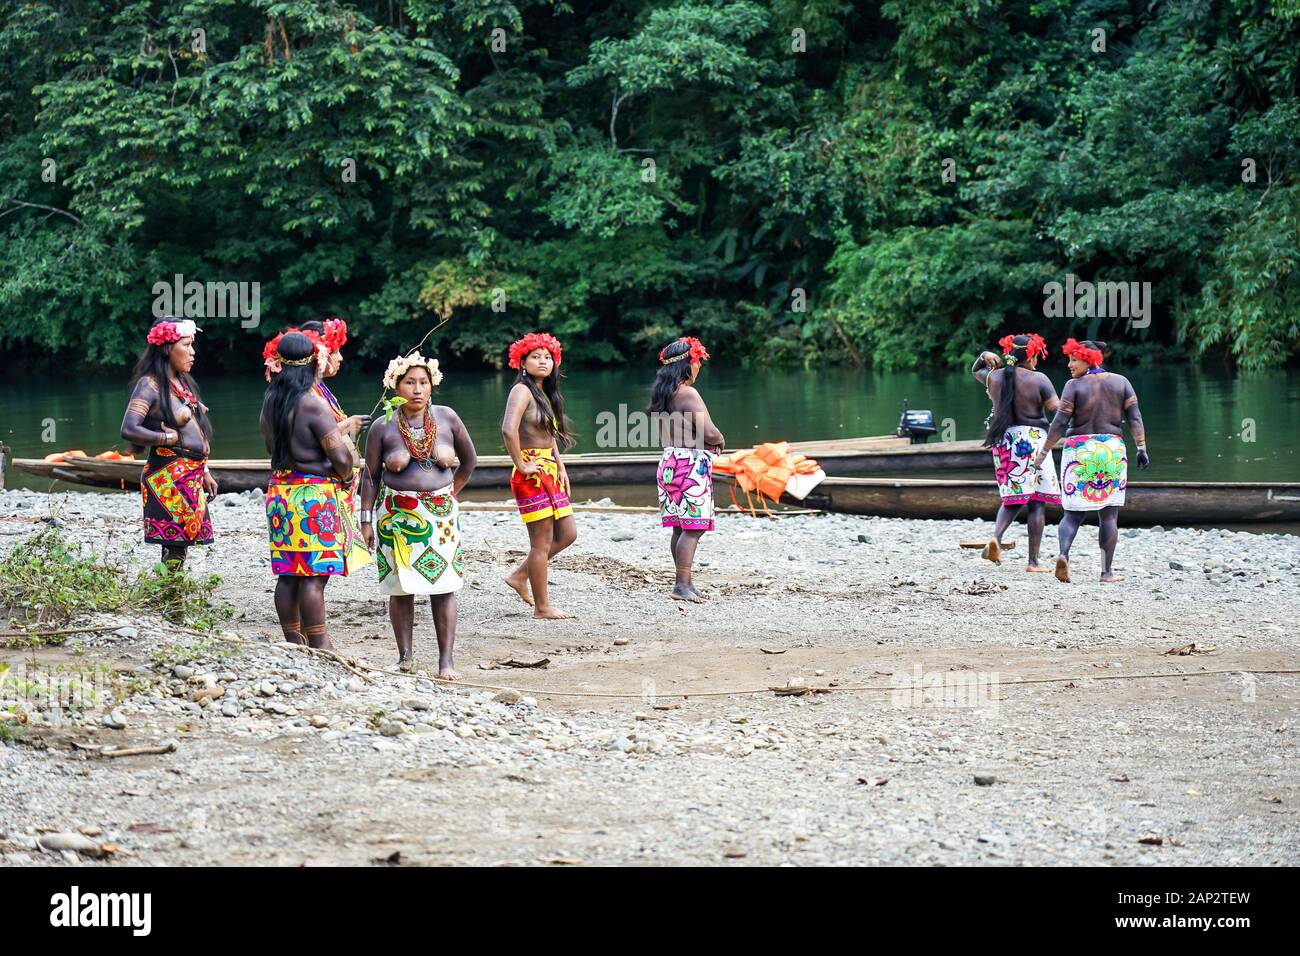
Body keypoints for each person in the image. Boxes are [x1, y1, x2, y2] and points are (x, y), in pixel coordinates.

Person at [361, 352, 476, 677]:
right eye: (409, 382)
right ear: (395, 385)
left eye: (423, 382)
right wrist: (366, 519)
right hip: (395, 515)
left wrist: (451, 494)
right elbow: (370, 476)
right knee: (400, 588)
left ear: (432, 385)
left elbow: (469, 461)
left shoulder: (447, 417)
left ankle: (446, 663)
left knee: (444, 586)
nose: (417, 389)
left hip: (440, 517)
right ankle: (405, 658)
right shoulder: (383, 426)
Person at [260, 331, 364, 650]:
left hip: (280, 494)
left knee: (288, 571)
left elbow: (272, 450)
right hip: (312, 498)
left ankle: (294, 640)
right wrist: (346, 474)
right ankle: (320, 643)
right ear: (312, 363)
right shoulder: (313, 404)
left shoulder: (270, 402)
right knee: (314, 574)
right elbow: (342, 458)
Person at [1032, 339, 1150, 584]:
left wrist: (1043, 452)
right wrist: (1141, 447)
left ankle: (1063, 554)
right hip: (1111, 450)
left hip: (1079, 450)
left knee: (1072, 514)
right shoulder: (1122, 382)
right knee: (1108, 515)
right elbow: (1135, 418)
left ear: (1089, 359)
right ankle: (1106, 573)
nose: (1069, 364)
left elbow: (1060, 423)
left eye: (1074, 359)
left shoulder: (1073, 386)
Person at [120, 316, 216, 569]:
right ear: (166, 348)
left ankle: (170, 596)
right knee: (174, 546)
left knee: (181, 546)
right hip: (168, 475)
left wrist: (204, 469)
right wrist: (165, 437)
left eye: (192, 345)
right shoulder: (149, 384)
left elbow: (192, 428)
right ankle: (169, 598)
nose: (193, 352)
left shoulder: (181, 383)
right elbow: (129, 428)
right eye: (186, 345)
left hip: (190, 473)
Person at [500, 332, 578, 620]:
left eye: (548, 357)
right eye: (536, 356)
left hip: (549, 469)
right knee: (541, 544)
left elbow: (550, 437)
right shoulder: (521, 390)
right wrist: (520, 464)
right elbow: (509, 429)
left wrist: (562, 469)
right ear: (522, 362)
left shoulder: (543, 392)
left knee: (568, 533)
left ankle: (520, 575)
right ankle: (541, 607)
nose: (543, 361)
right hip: (531, 473)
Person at [970, 333, 1061, 570]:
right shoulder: (1039, 379)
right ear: (1030, 355)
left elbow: (975, 371)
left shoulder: (995, 377)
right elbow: (1056, 411)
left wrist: (983, 356)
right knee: (1037, 501)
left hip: (1005, 441)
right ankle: (1033, 561)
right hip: (1034, 442)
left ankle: (996, 538)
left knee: (1012, 498)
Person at [292, 317, 371, 569]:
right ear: (321, 354)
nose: (340, 359)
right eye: (335, 352)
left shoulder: (319, 389)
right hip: (318, 487)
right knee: (313, 573)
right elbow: (313, 438)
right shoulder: (307, 395)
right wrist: (348, 426)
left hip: (332, 487)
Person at [650, 336, 724, 602]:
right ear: (687, 364)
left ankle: (686, 581)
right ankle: (681, 585)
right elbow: (709, 431)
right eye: (697, 363)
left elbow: (682, 430)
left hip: (669, 461)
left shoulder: (663, 393)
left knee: (680, 527)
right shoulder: (688, 393)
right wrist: (718, 440)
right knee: (693, 527)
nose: (699, 368)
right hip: (689, 466)